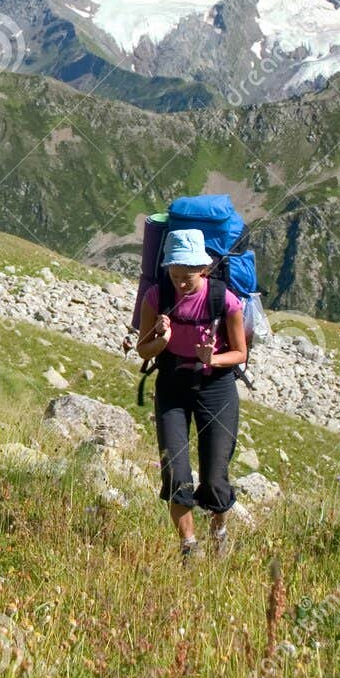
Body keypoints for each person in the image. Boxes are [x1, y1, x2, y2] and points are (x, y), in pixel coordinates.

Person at [134, 228, 248, 561]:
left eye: (188, 276)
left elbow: (241, 353)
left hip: (217, 386)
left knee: (214, 474)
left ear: (204, 269)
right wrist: (163, 341)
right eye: (174, 275)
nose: (181, 283)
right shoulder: (156, 296)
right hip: (172, 384)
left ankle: (219, 531)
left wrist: (213, 359)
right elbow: (143, 349)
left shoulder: (225, 300)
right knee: (175, 470)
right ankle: (189, 547)